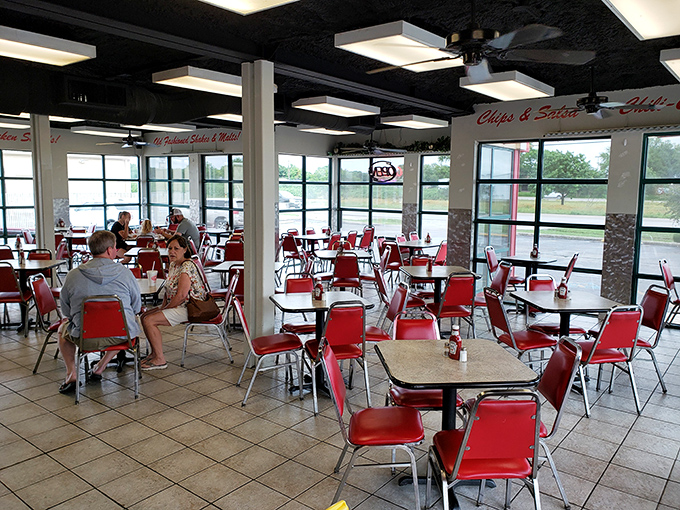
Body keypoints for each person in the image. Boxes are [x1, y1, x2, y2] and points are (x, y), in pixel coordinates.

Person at [57, 230, 142, 394]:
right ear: (110, 250)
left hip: (84, 338)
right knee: (128, 324)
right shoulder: (125, 273)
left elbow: (66, 310)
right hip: (120, 336)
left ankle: (71, 374)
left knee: (63, 329)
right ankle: (100, 367)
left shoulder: (73, 275)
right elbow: (136, 307)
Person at [140, 234, 208, 370]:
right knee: (144, 316)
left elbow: (182, 295)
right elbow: (168, 289)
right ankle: (154, 353)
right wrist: (163, 306)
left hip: (190, 307)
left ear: (185, 250)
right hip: (178, 305)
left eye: (176, 248)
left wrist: (165, 309)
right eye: (170, 248)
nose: (172, 251)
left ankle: (160, 359)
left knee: (149, 320)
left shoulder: (186, 266)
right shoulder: (173, 265)